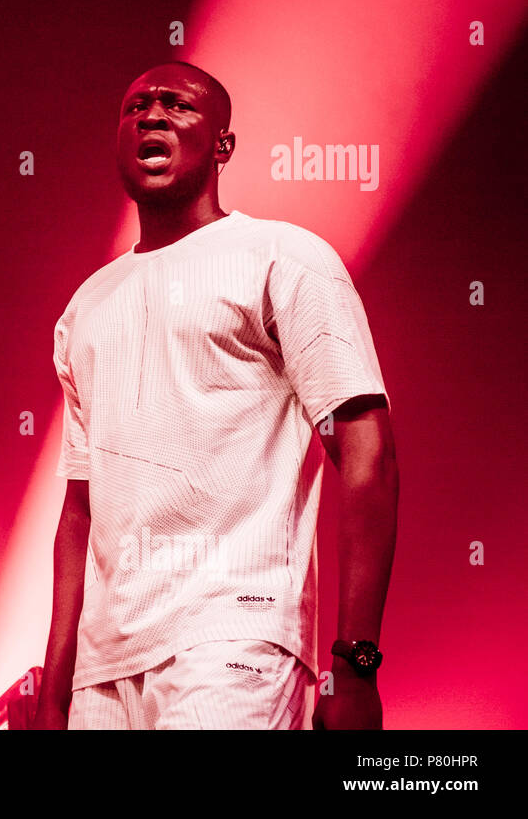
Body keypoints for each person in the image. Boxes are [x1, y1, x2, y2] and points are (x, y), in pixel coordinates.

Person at [34, 62, 398, 730]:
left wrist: (355, 667)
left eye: (177, 105)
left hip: (234, 638)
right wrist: (55, 693)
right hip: (104, 673)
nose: (151, 115)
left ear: (223, 146)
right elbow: (80, 509)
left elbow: (367, 456)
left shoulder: (283, 256)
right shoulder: (86, 306)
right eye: (136, 105)